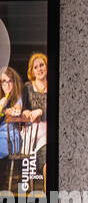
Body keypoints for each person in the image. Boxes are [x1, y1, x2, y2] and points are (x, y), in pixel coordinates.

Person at [19, 53, 49, 181]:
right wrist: (25, 112)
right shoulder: (27, 87)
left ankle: (46, 177)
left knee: (47, 151)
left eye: (41, 65)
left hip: (47, 129)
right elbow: (22, 107)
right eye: (35, 67)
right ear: (32, 70)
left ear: (47, 67)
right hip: (31, 131)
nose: (39, 69)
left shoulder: (53, 85)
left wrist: (41, 112)